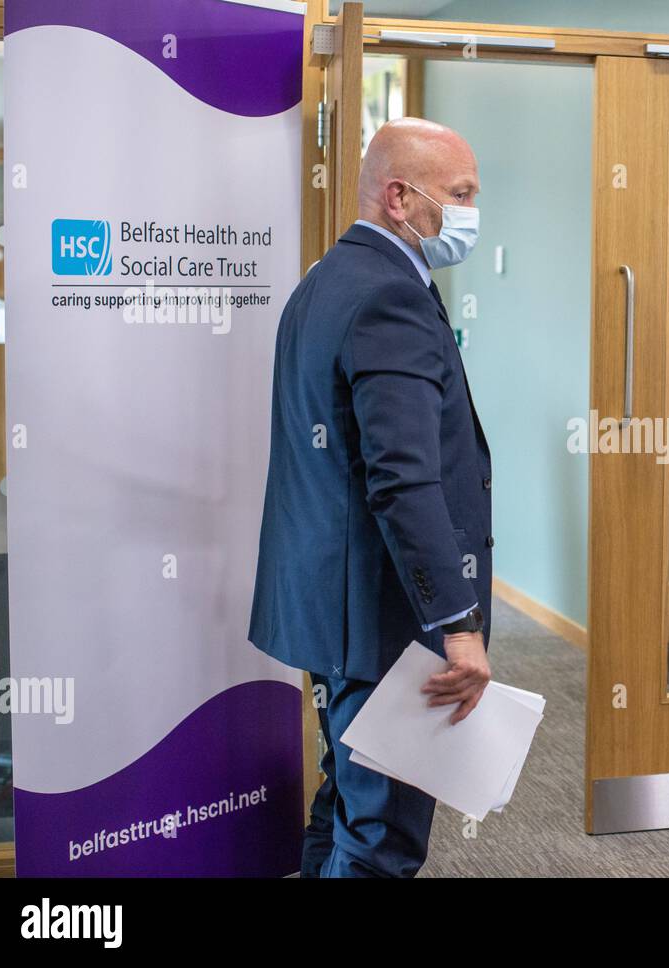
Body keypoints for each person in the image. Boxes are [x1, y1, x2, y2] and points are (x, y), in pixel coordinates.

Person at [248, 118, 494, 878]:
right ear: (398, 196)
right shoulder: (389, 298)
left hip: (335, 610)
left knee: (347, 805)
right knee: (381, 835)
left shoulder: (325, 282)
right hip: (384, 620)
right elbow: (404, 480)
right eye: (458, 195)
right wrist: (456, 625)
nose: (469, 213)